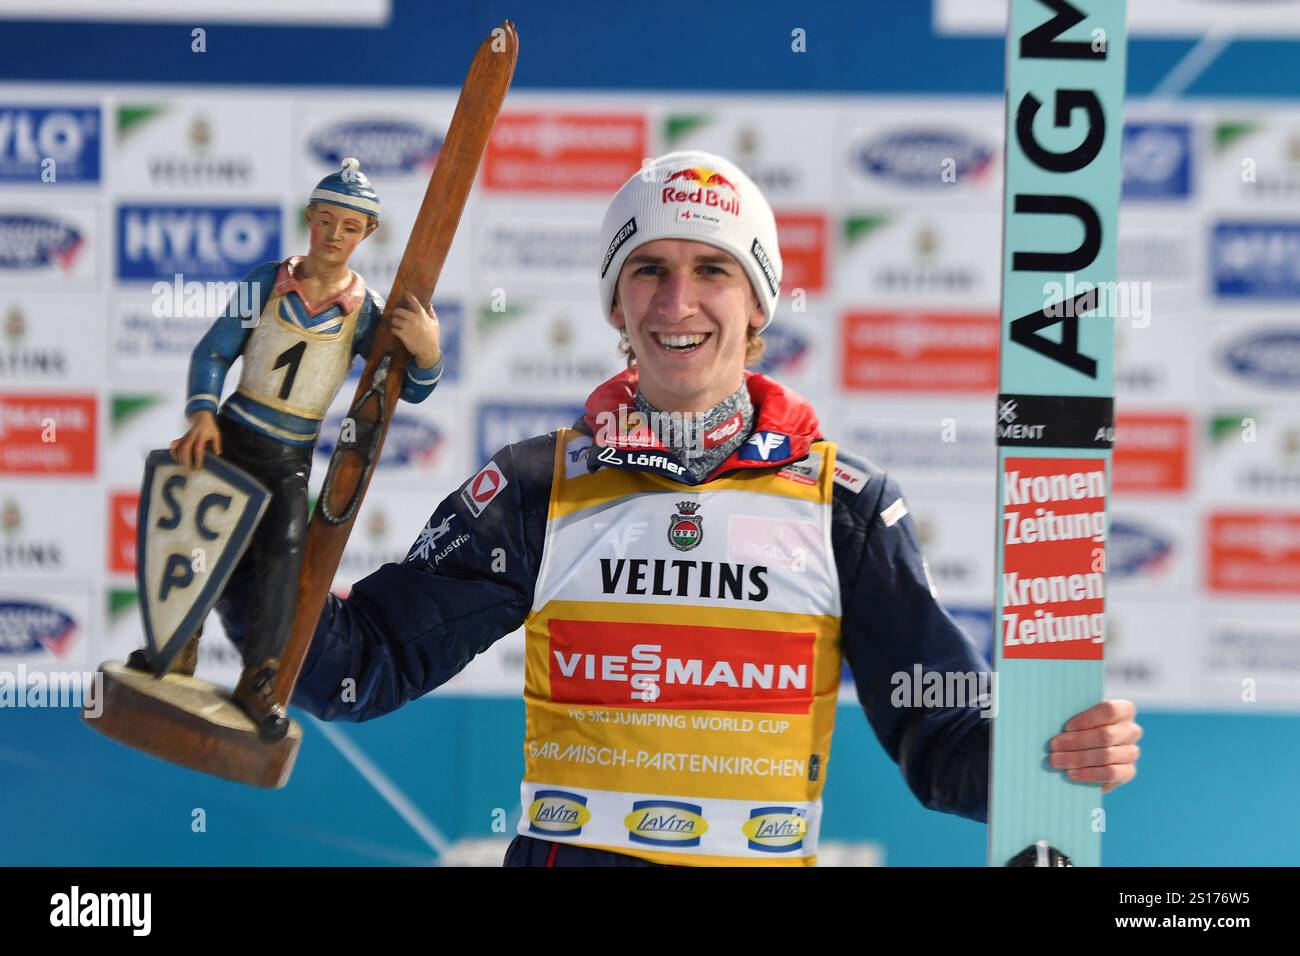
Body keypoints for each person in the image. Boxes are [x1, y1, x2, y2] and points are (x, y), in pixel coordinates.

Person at [221, 150, 1141, 864]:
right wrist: (242, 523)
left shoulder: (844, 507)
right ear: (618, 308)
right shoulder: (540, 488)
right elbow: (356, 669)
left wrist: (1047, 755)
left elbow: (940, 737)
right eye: (648, 270)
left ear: (757, 306)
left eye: (713, 270)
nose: (678, 300)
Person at [127, 158, 444, 742]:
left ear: (367, 234)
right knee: (200, 540)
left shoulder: (364, 310)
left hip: (289, 454)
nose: (334, 236)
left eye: (349, 227)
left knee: (283, 557)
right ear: (309, 219)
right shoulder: (267, 282)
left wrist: (426, 353)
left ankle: (261, 680)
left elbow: (402, 388)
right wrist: (201, 411)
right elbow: (215, 352)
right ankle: (174, 645)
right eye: (325, 221)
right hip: (233, 431)